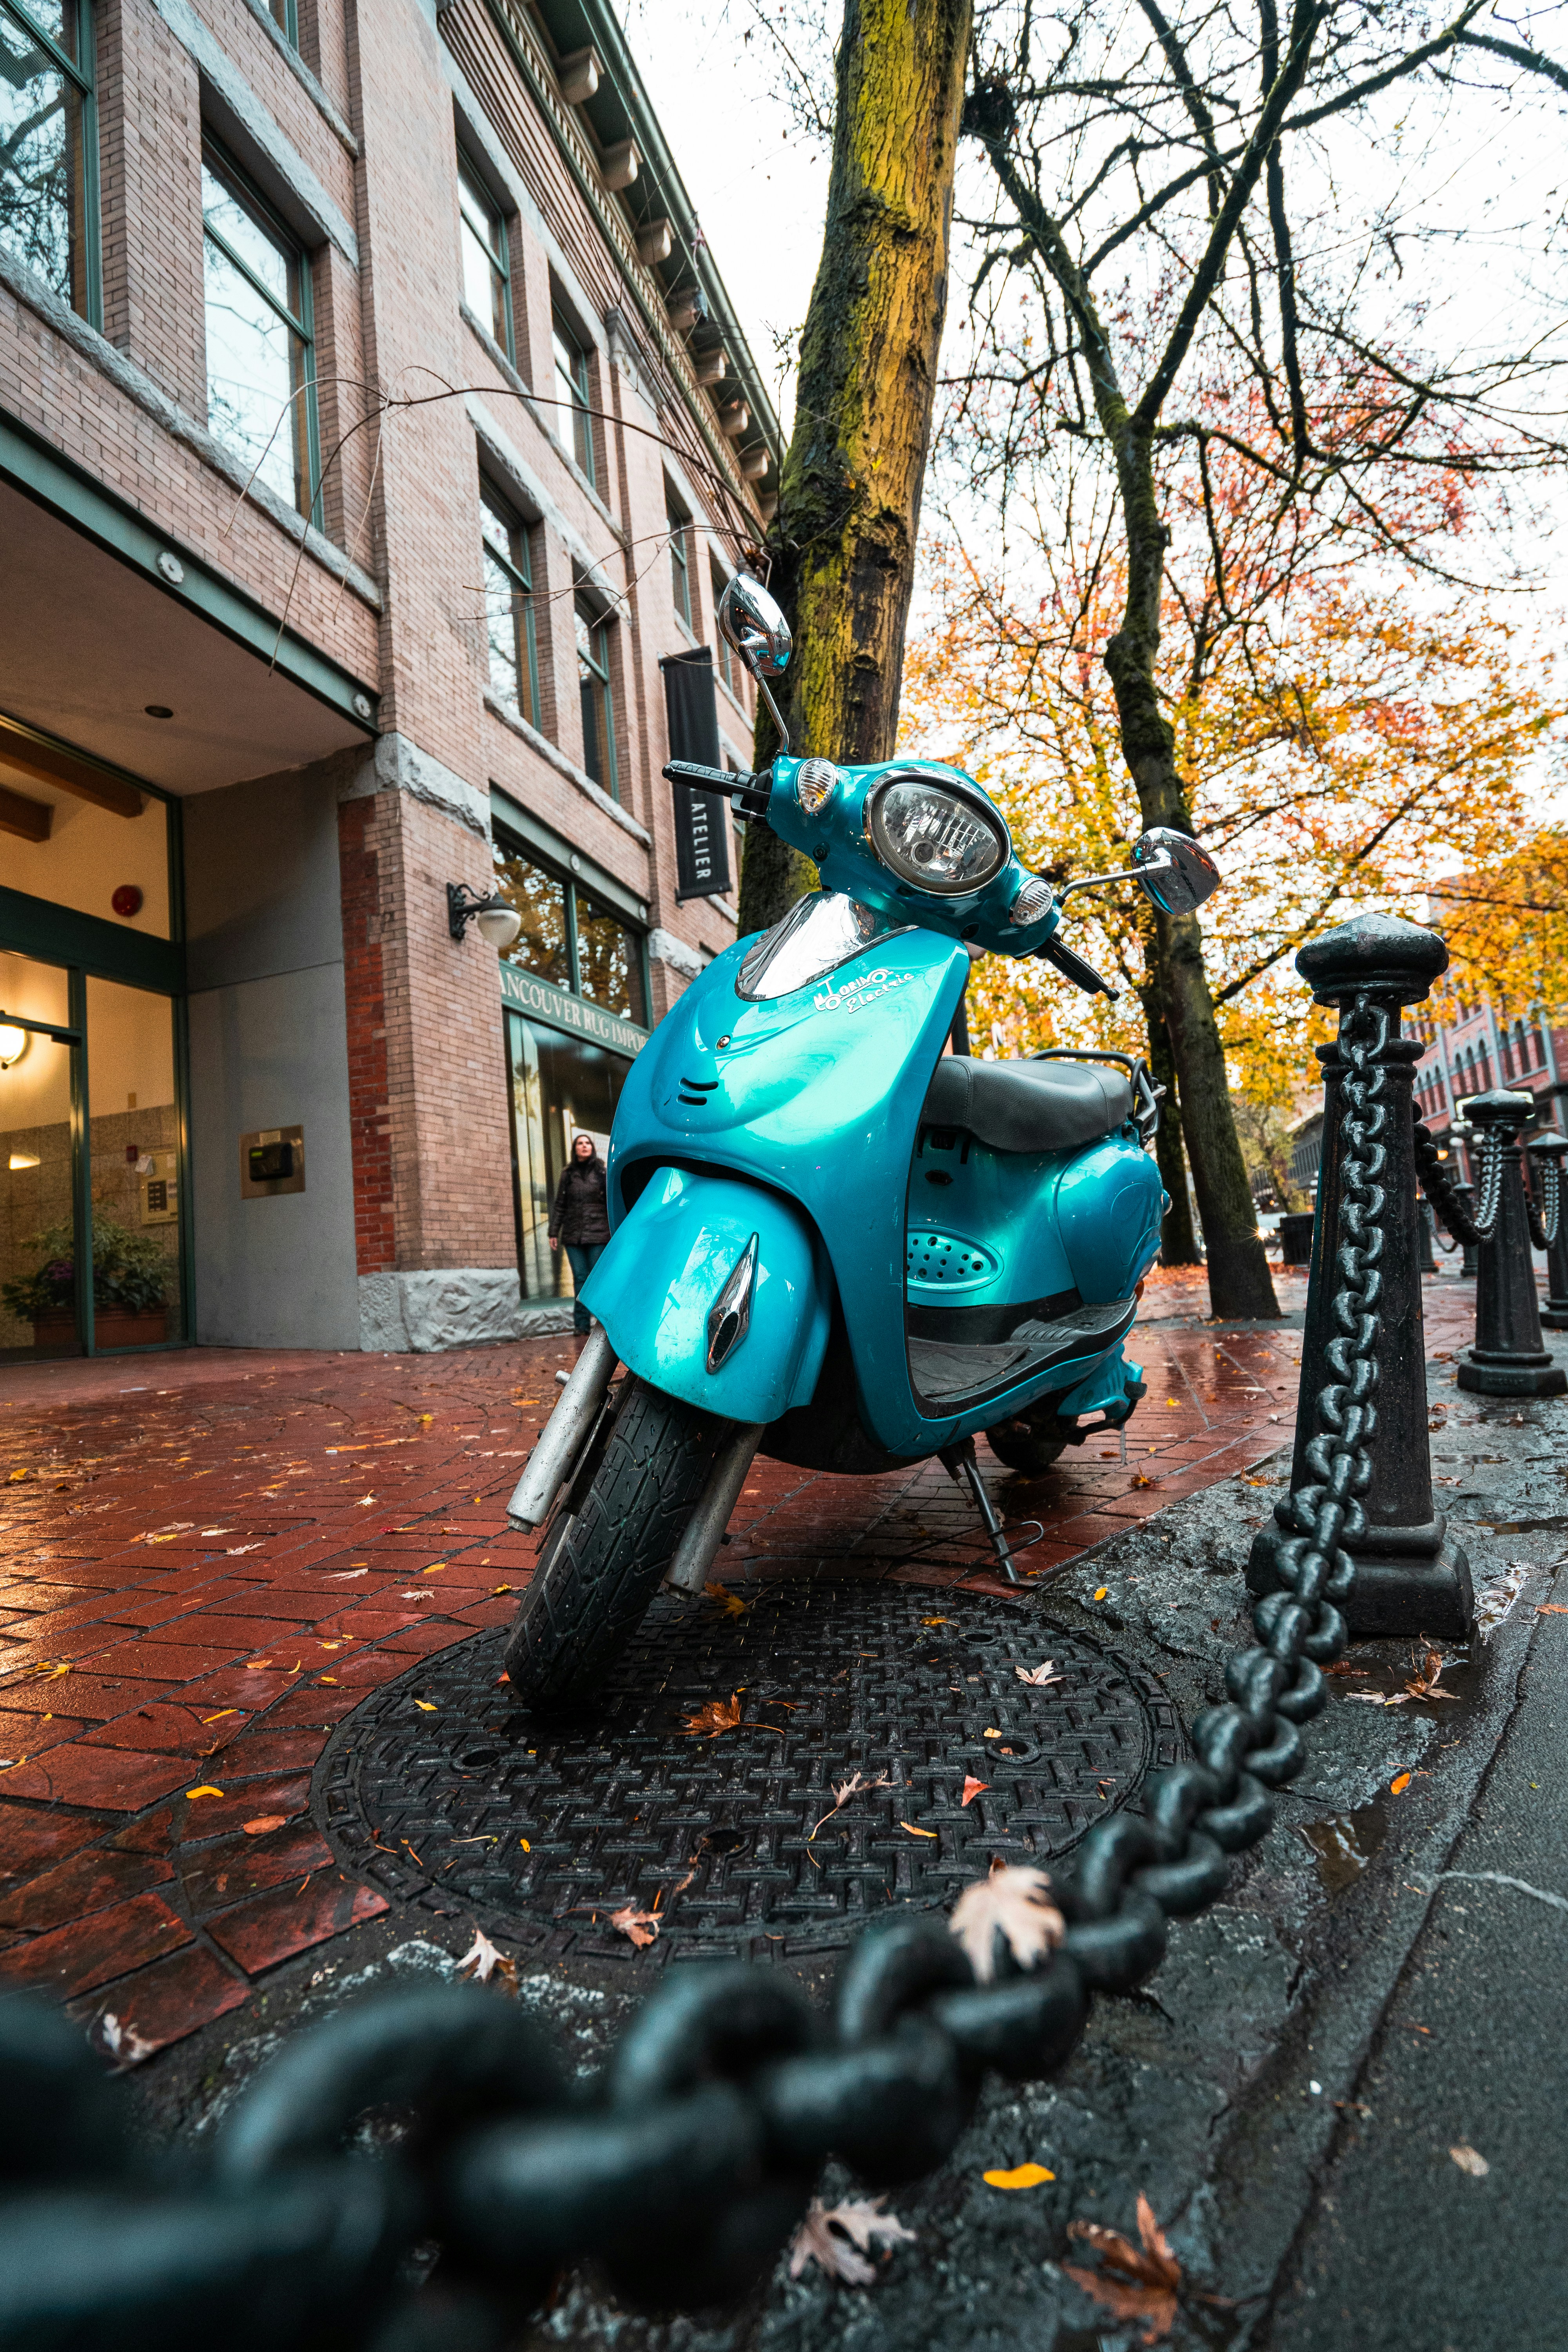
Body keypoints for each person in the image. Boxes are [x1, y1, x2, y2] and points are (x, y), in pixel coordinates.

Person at [549, 1132, 611, 1336]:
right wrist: (553, 1232)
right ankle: (582, 1325)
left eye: (587, 1143)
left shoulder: (602, 1172)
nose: (584, 1146)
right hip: (573, 1235)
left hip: (598, 1234)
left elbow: (610, 1202)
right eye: (580, 1143)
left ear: (592, 1148)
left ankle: (603, 1322)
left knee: (595, 1278)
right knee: (580, 1278)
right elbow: (560, 1205)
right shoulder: (568, 1174)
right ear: (575, 1149)